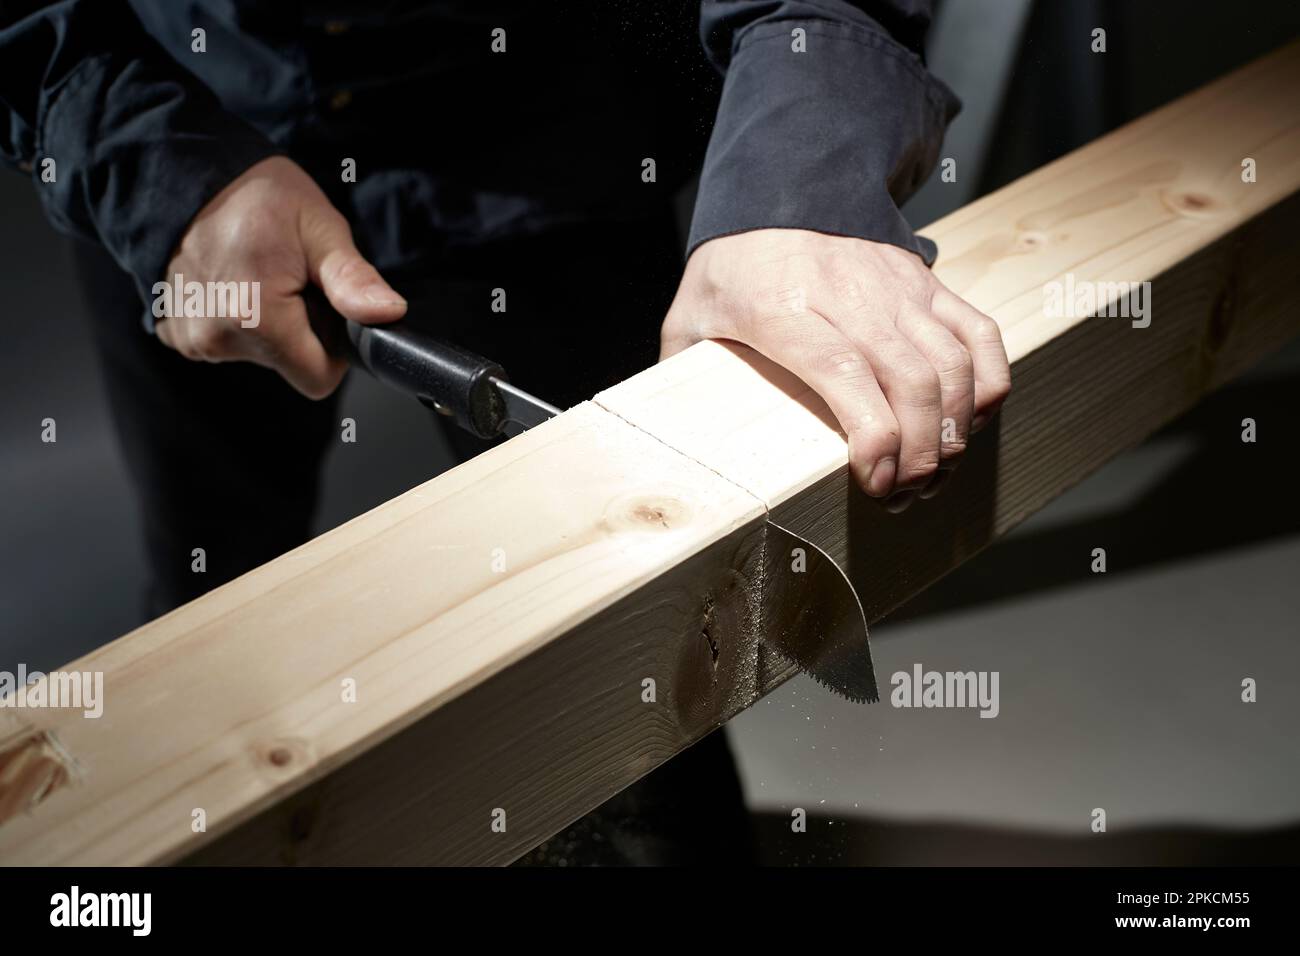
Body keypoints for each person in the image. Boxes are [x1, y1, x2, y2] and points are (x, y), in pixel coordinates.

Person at [1, 0, 1010, 864]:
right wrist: (143, 161)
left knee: (629, 647)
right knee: (198, 614)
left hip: (538, 140)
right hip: (187, 116)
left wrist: (799, 176)